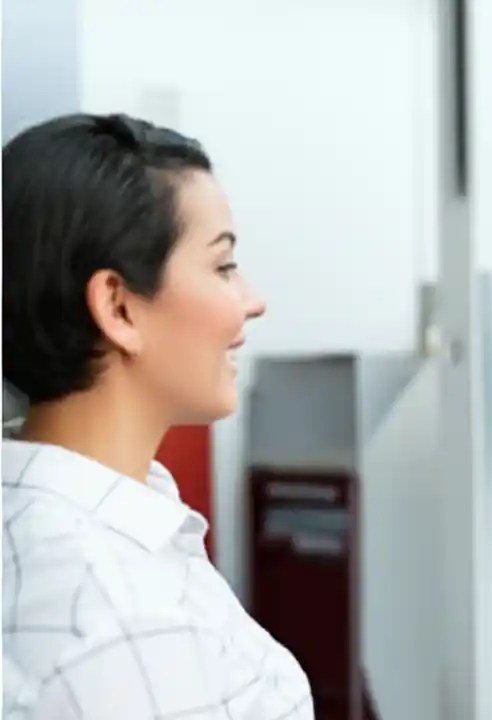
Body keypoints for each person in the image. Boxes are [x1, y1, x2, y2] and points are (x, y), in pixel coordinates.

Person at [2, 114, 313, 719]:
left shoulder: (88, 530)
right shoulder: (112, 621)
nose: (252, 300)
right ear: (118, 307)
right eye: (223, 267)